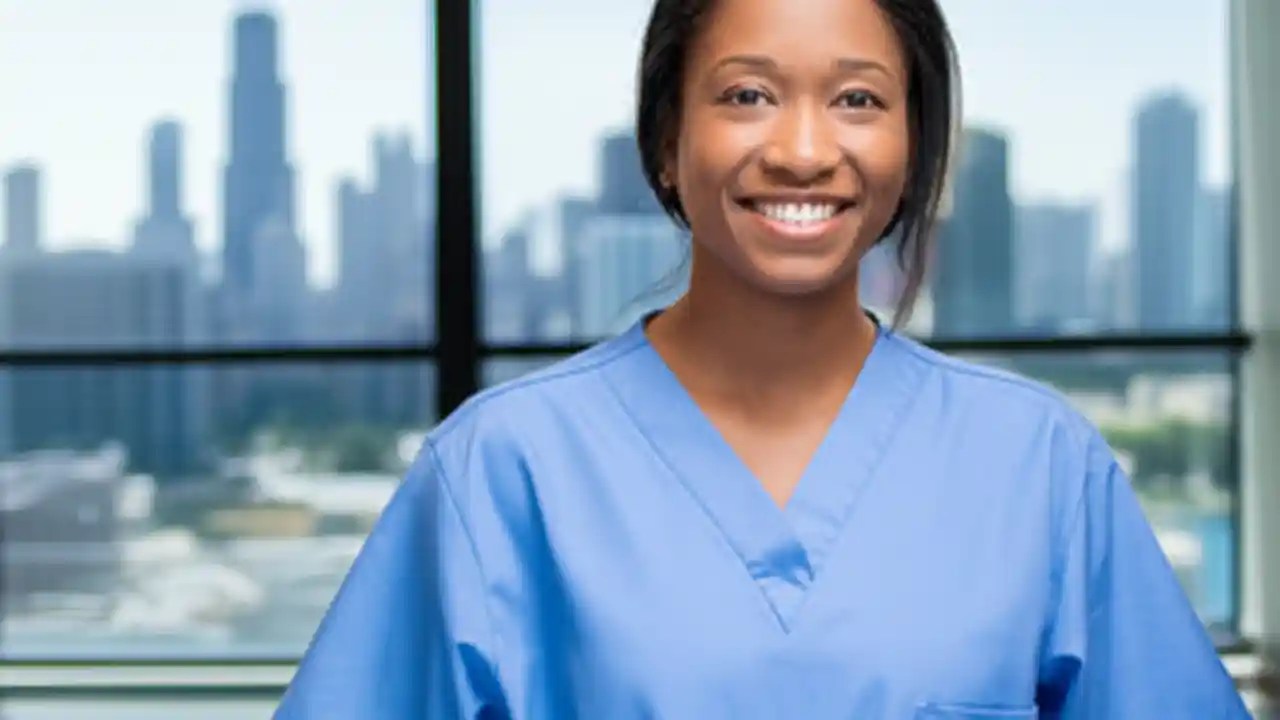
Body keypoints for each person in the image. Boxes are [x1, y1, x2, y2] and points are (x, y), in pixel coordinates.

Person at [276, 0, 1251, 717]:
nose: (799, 149)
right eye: (745, 95)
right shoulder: (501, 467)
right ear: (664, 142)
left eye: (857, 100)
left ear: (913, 148)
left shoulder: (1036, 460)